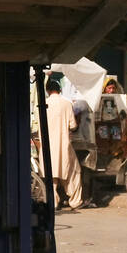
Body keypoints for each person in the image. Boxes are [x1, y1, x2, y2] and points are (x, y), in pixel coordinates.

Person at [42, 73, 82, 211]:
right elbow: (73, 125)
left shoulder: (43, 104)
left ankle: (53, 202)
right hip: (64, 144)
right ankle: (75, 200)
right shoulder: (66, 103)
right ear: (59, 90)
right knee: (74, 172)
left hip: (46, 144)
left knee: (50, 174)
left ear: (47, 91)